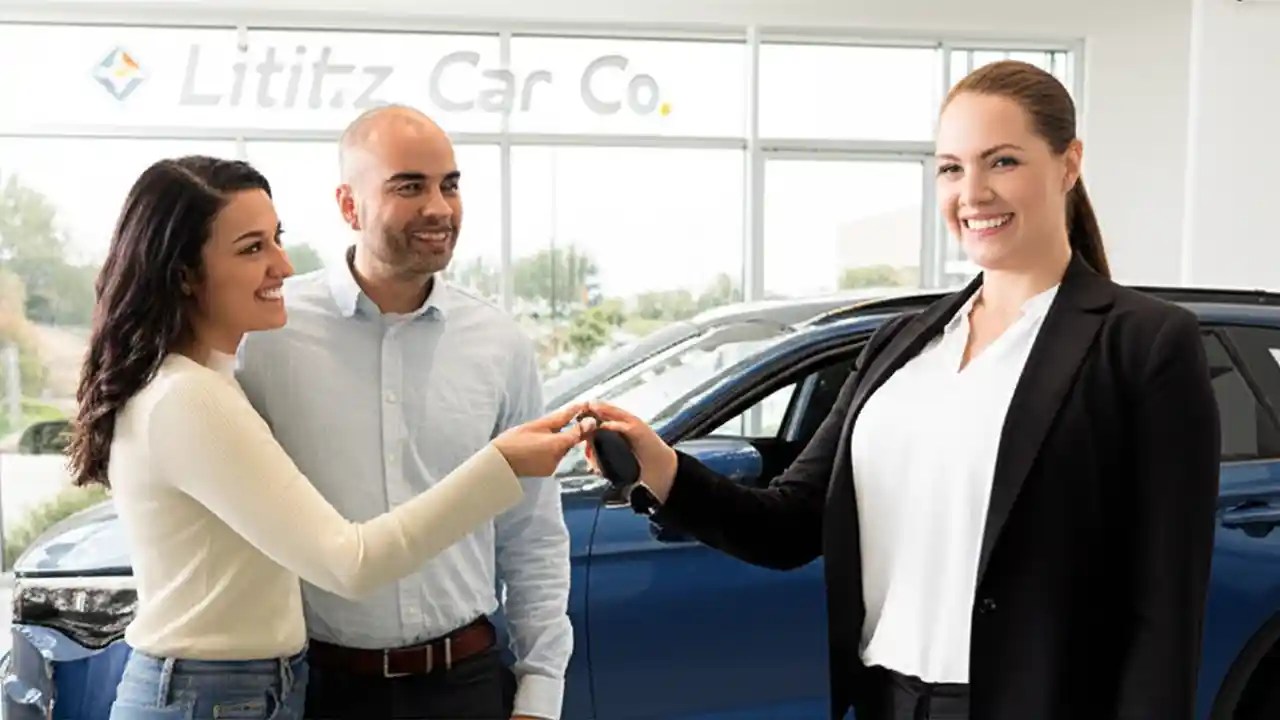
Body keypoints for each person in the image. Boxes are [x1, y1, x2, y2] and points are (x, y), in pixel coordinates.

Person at [582, 60, 1221, 720]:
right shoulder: (901, 345)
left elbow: (1164, 610)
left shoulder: (1142, 343)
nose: (971, 192)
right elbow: (787, 525)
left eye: (1002, 161)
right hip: (885, 701)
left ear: (1068, 163)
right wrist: (662, 469)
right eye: (951, 167)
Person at [65, 155, 589, 720]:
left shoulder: (204, 382)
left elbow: (533, 536)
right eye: (251, 249)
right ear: (185, 274)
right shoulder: (192, 397)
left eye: (276, 239)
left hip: (243, 690)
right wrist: (501, 467)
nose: (283, 267)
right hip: (215, 697)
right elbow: (350, 562)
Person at [235, 105, 571, 720]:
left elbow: (533, 535)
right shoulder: (267, 337)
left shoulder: (498, 343)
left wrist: (541, 689)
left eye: (450, 183)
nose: (439, 207)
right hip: (318, 689)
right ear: (348, 205)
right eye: (409, 186)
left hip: (465, 684)